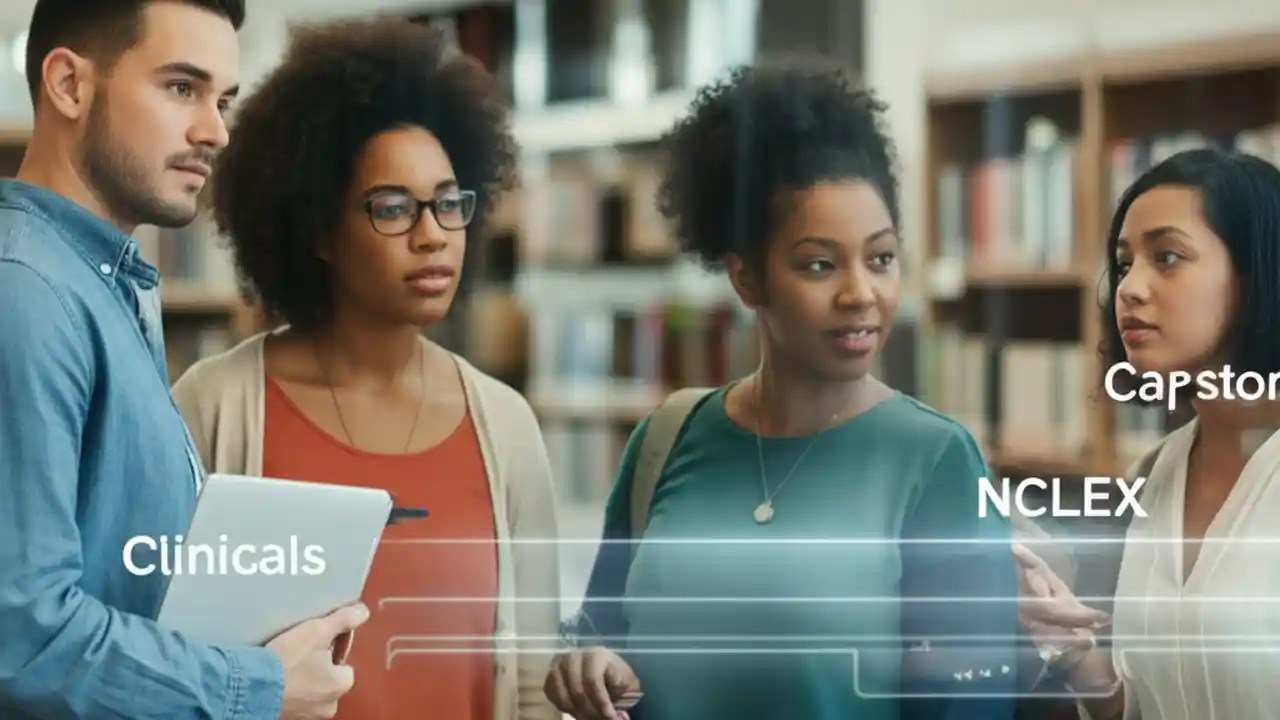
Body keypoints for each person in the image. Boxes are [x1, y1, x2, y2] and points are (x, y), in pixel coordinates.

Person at [543, 61, 1020, 720]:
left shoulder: (937, 461)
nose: (861, 293)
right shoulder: (666, 440)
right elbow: (600, 640)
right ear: (747, 280)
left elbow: (972, 706)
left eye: (880, 257)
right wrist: (587, 669)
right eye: (820, 264)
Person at [170, 17, 562, 720]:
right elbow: (167, 658)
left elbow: (532, 680)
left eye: (449, 203)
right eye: (392, 209)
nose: (433, 234)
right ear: (318, 229)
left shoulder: (504, 425)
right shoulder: (216, 406)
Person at [0, 1, 368, 719]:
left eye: (224, 99)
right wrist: (260, 685)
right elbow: (23, 639)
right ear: (69, 86)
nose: (216, 130)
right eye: (181, 88)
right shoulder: (29, 294)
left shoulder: (105, 285)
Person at [1015, 147, 1280, 719]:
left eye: (1167, 257)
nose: (1129, 290)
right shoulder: (1156, 475)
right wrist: (1066, 640)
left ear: (1256, 275)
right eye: (1124, 263)